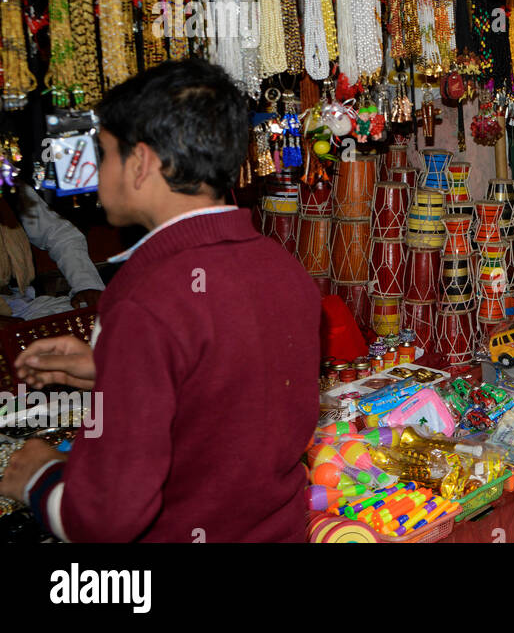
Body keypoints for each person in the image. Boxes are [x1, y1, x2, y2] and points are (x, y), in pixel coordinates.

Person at [0, 59, 321, 541]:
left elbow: (107, 516)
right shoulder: (283, 268)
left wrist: (40, 476)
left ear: (142, 162)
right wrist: (116, 366)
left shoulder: (144, 300)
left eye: (104, 152)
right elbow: (230, 387)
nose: (96, 170)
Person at [0, 183, 104, 321]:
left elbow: (60, 235)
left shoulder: (8, 184)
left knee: (107, 316)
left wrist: (86, 285)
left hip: (20, 305)